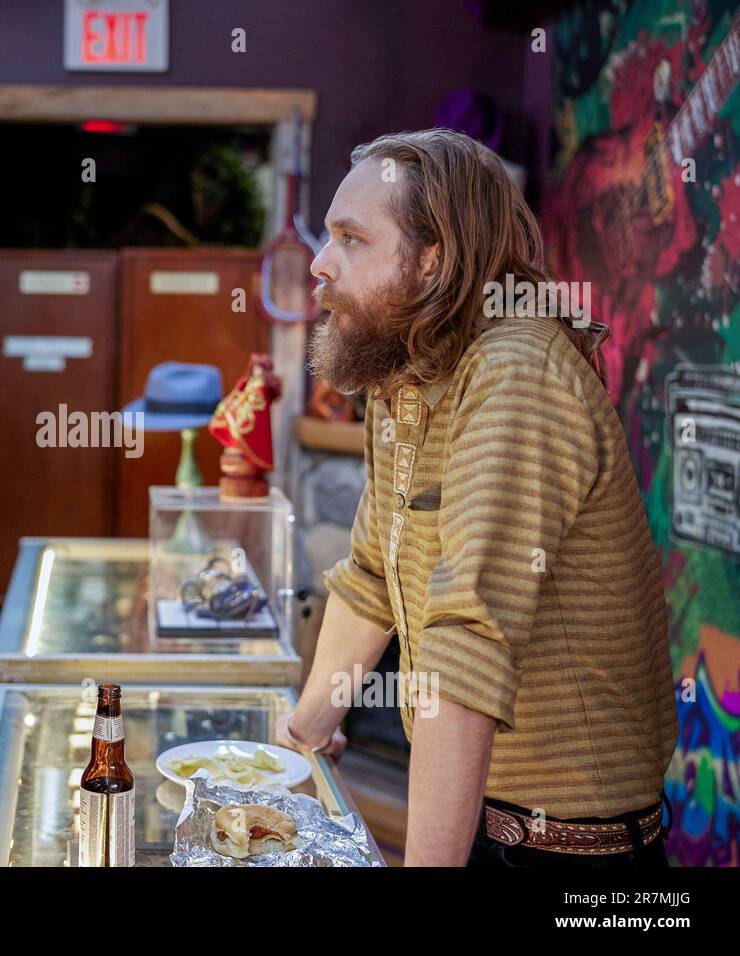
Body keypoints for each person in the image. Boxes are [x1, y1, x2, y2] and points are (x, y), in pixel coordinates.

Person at [276, 129, 677, 867]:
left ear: (432, 261)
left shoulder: (514, 374)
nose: (319, 263)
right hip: (486, 817)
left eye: (351, 239)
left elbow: (467, 646)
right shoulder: (407, 373)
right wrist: (301, 738)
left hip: (563, 852)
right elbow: (370, 576)